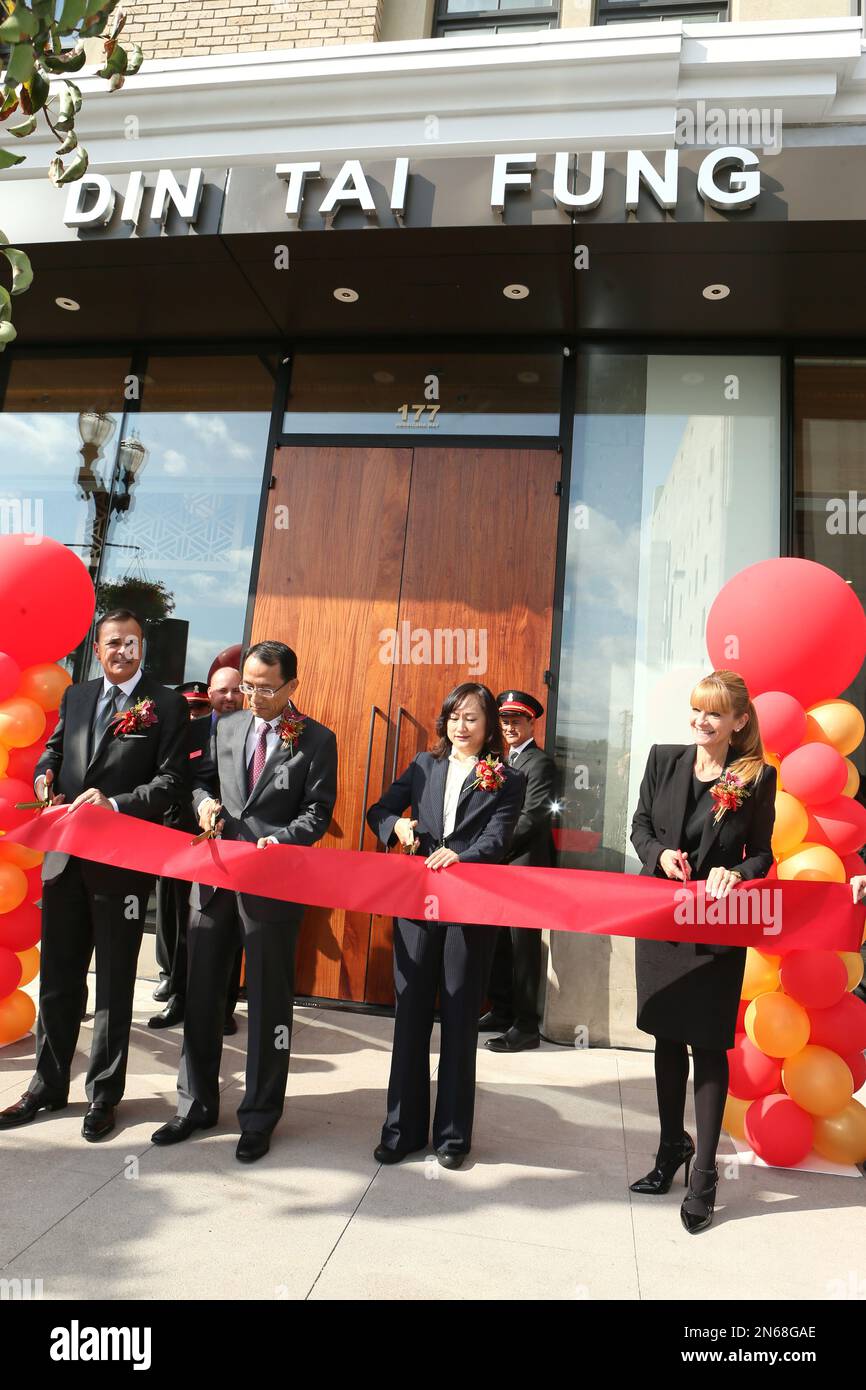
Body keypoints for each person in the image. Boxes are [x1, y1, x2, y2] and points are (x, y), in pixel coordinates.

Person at [0, 609, 189, 1142]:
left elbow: (171, 782)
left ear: (142, 648)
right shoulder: (78, 697)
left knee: (113, 985)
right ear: (99, 647)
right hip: (64, 861)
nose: (122, 651)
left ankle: (103, 1096)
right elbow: (57, 751)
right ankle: (46, 1085)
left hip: (121, 867)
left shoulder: (166, 704)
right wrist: (43, 776)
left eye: (132, 643)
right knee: (59, 980)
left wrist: (115, 802)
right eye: (112, 643)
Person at [151, 641, 337, 1164]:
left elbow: (318, 811)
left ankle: (259, 1116)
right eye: (247, 685)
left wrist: (281, 842)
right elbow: (201, 779)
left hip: (272, 886)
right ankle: (195, 1104)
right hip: (213, 882)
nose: (251, 696)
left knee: (268, 1004)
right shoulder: (224, 725)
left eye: (263, 688)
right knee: (202, 995)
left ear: (291, 688)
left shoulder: (317, 740)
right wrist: (204, 801)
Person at [629, 669, 776, 1233]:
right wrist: (660, 855)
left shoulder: (758, 777)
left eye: (714, 713)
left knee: (709, 1045)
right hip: (664, 919)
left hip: (717, 926)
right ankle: (671, 1148)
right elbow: (640, 824)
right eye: (696, 709)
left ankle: (705, 1177)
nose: (701, 721)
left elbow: (761, 854)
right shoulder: (664, 757)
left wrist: (734, 873)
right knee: (666, 1035)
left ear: (739, 722)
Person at [366, 682, 524, 1169]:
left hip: (469, 913)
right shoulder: (423, 765)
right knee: (410, 1016)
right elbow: (380, 809)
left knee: (459, 1018)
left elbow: (498, 840)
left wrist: (464, 853)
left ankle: (453, 1138)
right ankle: (401, 1130)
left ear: (489, 726)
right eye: (454, 716)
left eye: (472, 718)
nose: (461, 726)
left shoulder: (506, 778)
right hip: (417, 908)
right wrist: (396, 826)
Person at [150, 675, 244, 1033]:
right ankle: (178, 997)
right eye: (222, 691)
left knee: (228, 928)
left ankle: (223, 1009)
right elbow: (175, 778)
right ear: (210, 693)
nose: (230, 697)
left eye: (237, 690)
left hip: (233, 844)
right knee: (180, 925)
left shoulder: (257, 732)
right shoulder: (191, 731)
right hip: (184, 839)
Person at [481, 689, 556, 1053]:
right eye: (505, 720)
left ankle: (525, 1026)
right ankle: (502, 1009)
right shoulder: (500, 761)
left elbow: (533, 817)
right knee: (497, 942)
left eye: (517, 720)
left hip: (524, 866)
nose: (509, 726)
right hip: (500, 865)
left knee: (524, 946)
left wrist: (492, 846)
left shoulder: (539, 764)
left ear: (531, 723)